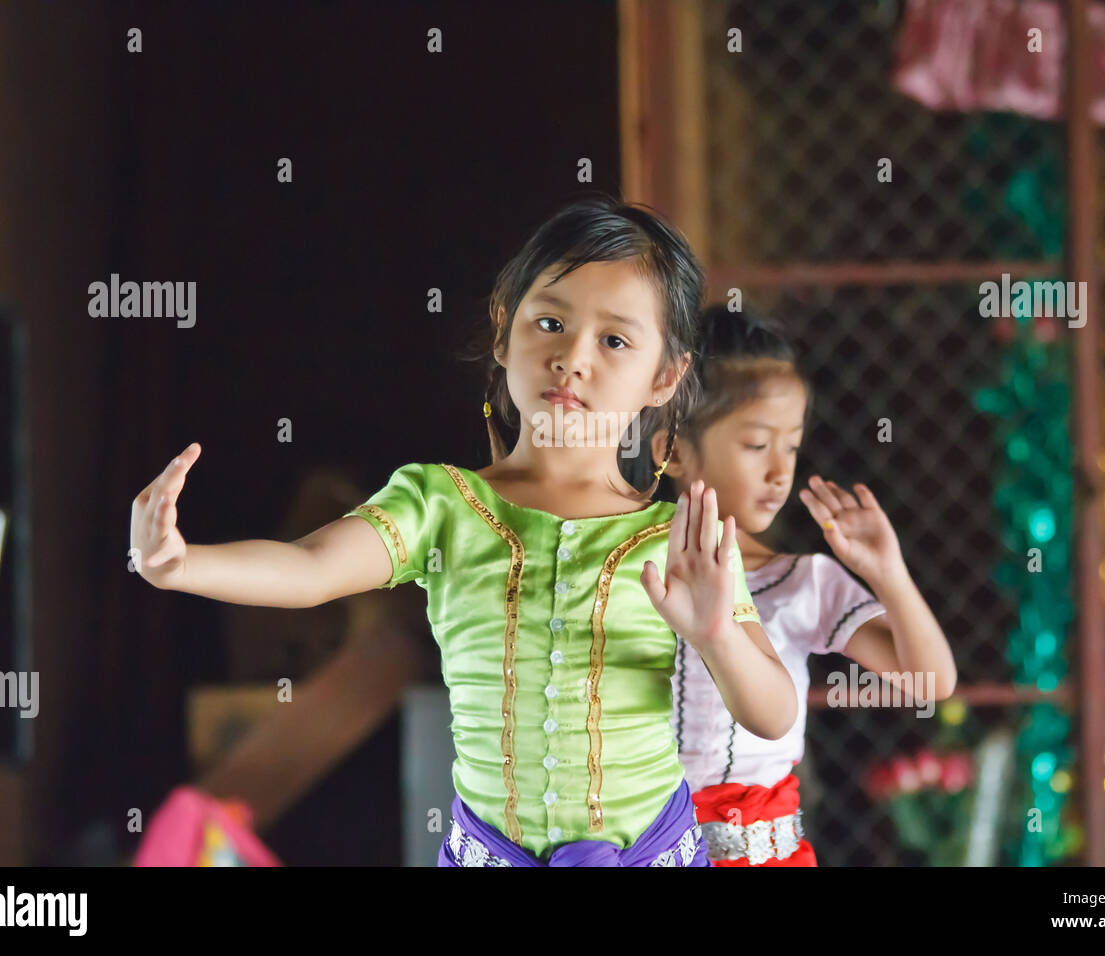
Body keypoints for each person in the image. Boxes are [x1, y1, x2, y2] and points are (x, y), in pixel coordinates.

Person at [129, 198, 797, 867]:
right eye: (552, 322)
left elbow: (772, 714)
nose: (572, 357)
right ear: (505, 332)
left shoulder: (680, 538)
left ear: (666, 376)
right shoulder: (441, 503)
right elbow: (310, 568)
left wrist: (715, 636)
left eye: (614, 340)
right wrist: (181, 564)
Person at [652, 304, 957, 866]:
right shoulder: (626, 573)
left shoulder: (801, 582)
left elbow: (929, 682)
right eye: (755, 444)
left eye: (790, 446)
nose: (779, 471)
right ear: (672, 450)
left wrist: (888, 573)